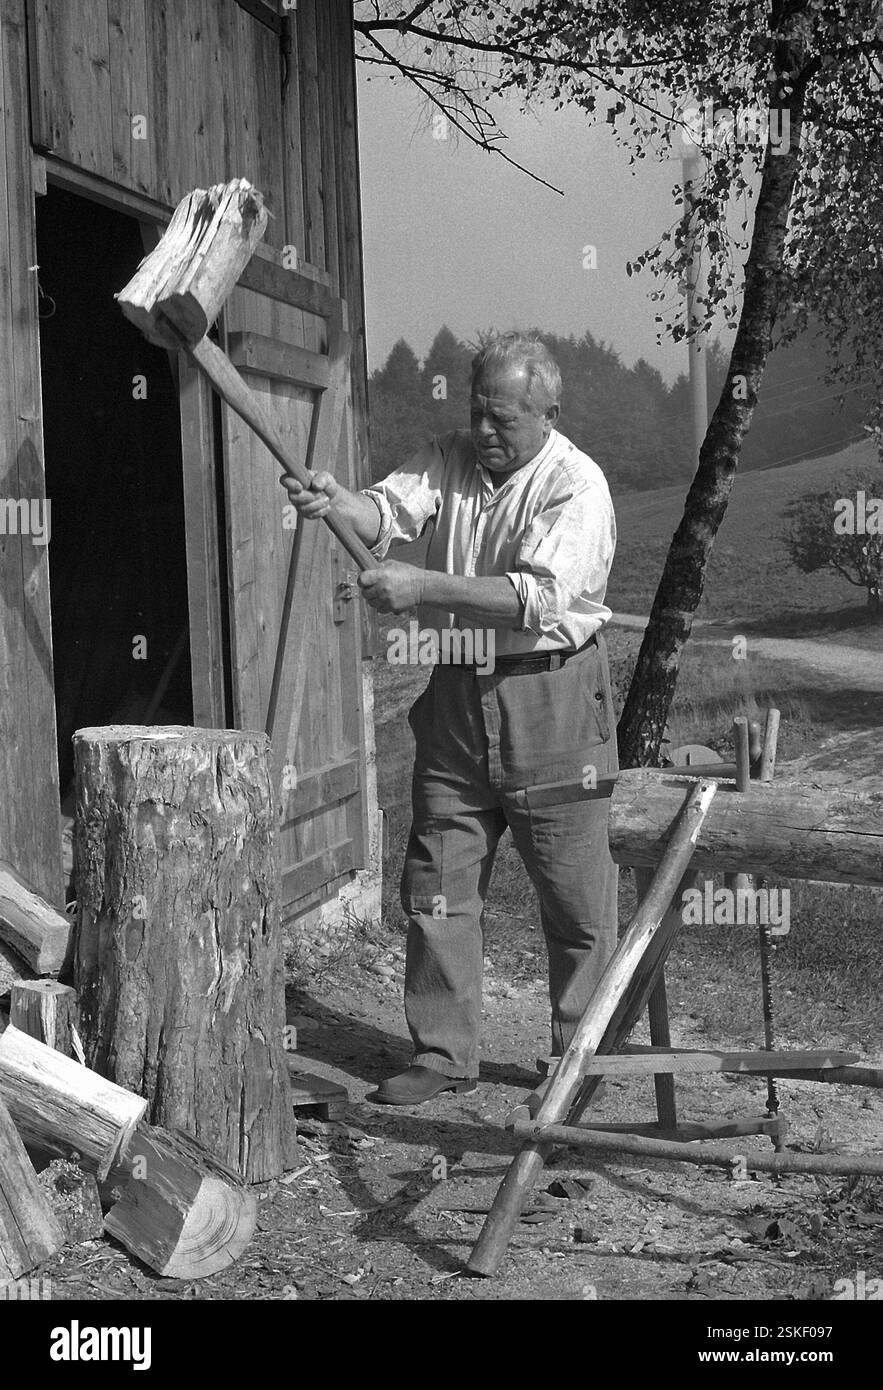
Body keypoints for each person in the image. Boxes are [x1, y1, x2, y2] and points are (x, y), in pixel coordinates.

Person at [282, 331, 618, 1105]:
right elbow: (385, 511)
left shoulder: (576, 485)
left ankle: (581, 1061)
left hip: (553, 698)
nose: (487, 433)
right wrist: (339, 502)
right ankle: (441, 1051)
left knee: (573, 899)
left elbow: (534, 599)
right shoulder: (450, 454)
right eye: (478, 414)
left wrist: (422, 589)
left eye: (504, 420)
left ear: (548, 413)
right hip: (458, 693)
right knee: (437, 877)